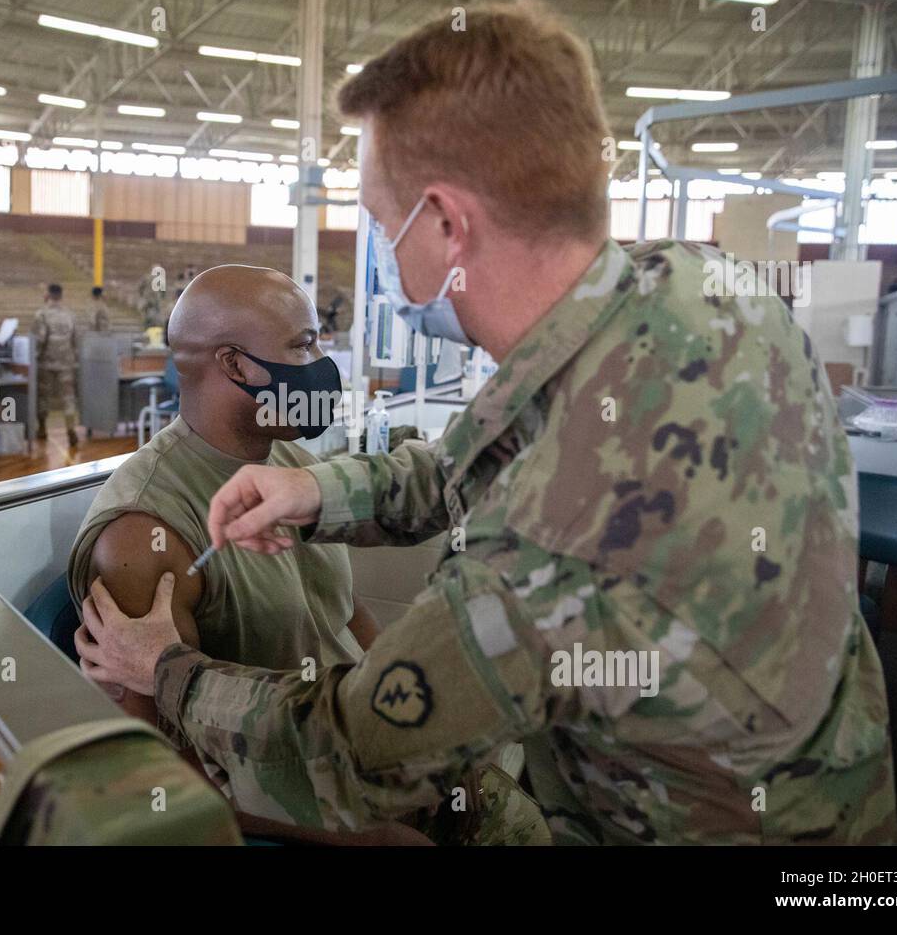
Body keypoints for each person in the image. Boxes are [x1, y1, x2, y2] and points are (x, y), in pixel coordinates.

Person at [79, 1, 897, 845]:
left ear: (443, 224)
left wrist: (169, 672)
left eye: (380, 222)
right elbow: (462, 464)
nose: (384, 255)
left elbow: (350, 756)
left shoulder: (550, 534)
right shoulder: (703, 290)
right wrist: (313, 492)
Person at [68, 265, 544, 844]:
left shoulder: (292, 469)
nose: (324, 362)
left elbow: (344, 614)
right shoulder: (144, 534)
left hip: (359, 751)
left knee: (523, 819)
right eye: (305, 343)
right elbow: (164, 774)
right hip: (305, 796)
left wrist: (419, 727)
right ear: (235, 364)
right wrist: (378, 838)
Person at [31, 283, 79, 449]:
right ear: (61, 295)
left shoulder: (42, 314)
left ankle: (42, 428)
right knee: (68, 398)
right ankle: (71, 429)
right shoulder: (70, 315)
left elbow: (40, 340)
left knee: (43, 397)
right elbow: (75, 340)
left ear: (48, 295)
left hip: (46, 363)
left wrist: (34, 359)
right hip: (66, 362)